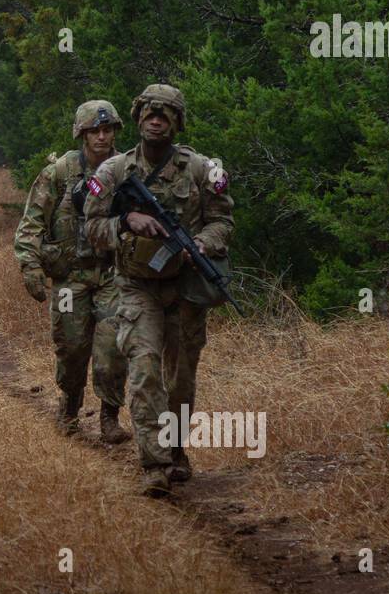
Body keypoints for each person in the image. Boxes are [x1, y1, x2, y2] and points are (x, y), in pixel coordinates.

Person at [83, 85, 234, 496]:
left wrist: (202, 243)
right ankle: (154, 463)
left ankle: (177, 450)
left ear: (177, 122)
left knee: (181, 378)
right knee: (145, 370)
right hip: (137, 286)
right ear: (138, 119)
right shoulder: (113, 172)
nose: (156, 119)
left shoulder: (201, 169)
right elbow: (92, 227)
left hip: (185, 287)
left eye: (165, 115)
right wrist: (127, 221)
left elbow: (223, 221)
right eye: (150, 113)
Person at [14, 101, 130, 443]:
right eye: (95, 130)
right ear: (82, 133)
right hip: (69, 280)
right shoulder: (60, 173)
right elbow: (31, 222)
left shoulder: (127, 172)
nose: (102, 136)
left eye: (108, 130)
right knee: (72, 348)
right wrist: (30, 265)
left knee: (112, 350)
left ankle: (110, 416)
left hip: (112, 275)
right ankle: (69, 408)